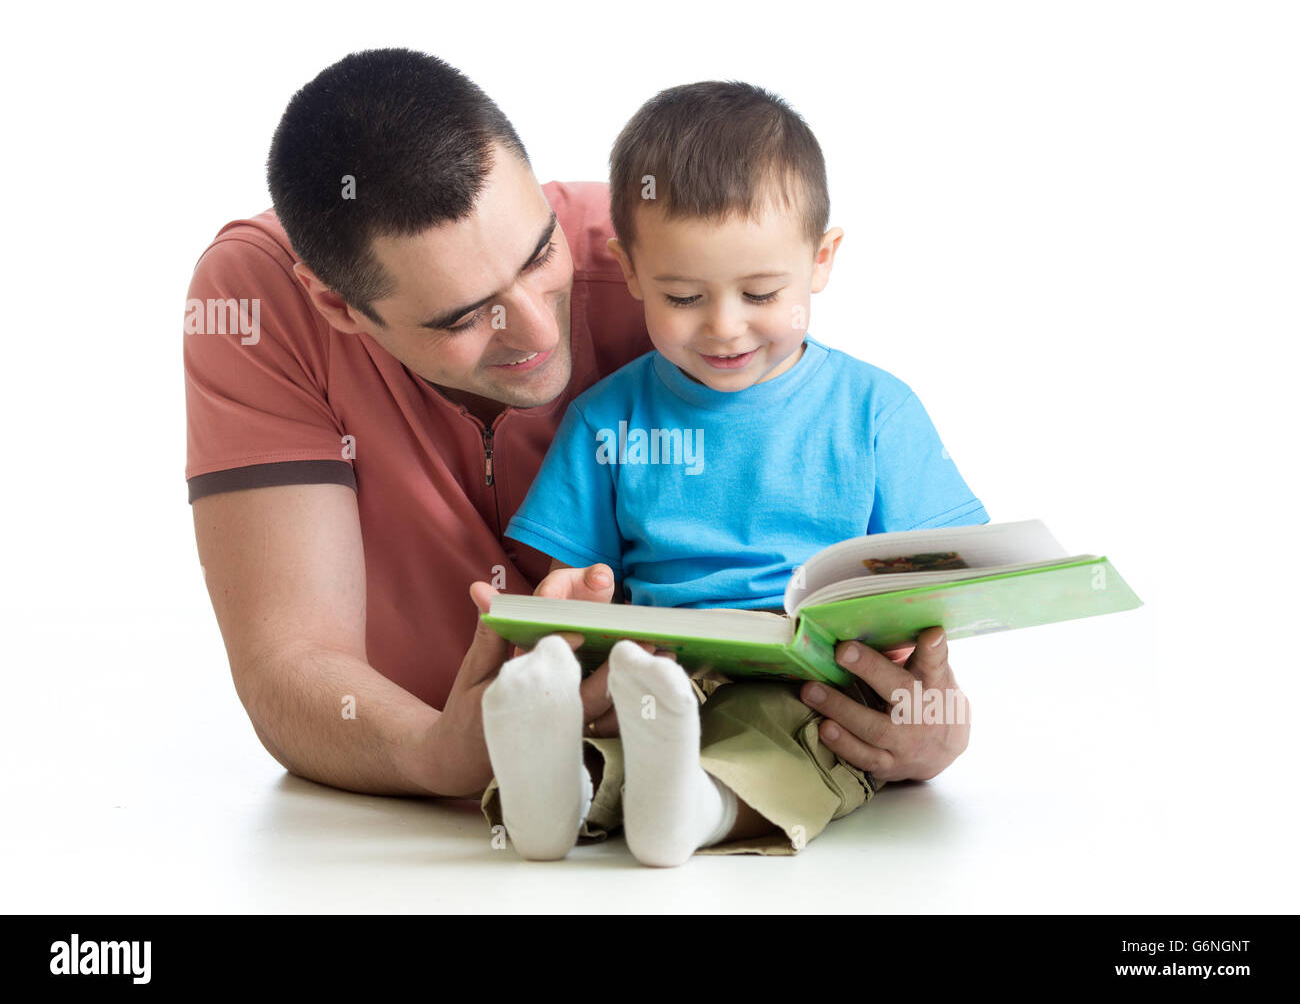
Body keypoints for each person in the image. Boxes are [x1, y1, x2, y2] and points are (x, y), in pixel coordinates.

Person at [183, 48, 974, 836]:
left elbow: (852, 526)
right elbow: (291, 664)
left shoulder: (676, 255)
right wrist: (444, 753)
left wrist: (925, 722)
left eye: (540, 254)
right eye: (462, 317)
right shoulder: (258, 297)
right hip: (480, 783)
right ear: (338, 304)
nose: (535, 334)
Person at [480, 81, 988, 865]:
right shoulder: (604, 417)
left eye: (760, 293)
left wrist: (902, 641)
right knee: (606, 713)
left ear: (821, 262)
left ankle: (689, 808)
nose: (723, 327)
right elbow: (571, 575)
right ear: (632, 271)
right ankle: (560, 795)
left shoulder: (873, 411)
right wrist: (567, 608)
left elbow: (943, 574)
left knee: (791, 743)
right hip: (650, 669)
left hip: (804, 681)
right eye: (684, 296)